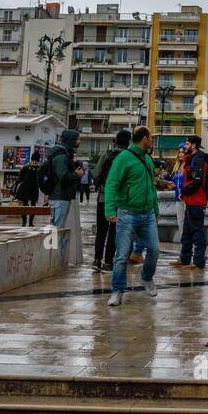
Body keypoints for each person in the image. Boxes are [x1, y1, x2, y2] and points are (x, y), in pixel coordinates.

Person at [105, 126, 161, 305]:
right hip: (127, 213)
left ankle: (146, 277)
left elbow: (151, 186)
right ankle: (117, 291)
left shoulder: (147, 159)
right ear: (144, 138)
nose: (152, 141)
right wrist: (110, 210)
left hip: (148, 214)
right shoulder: (123, 158)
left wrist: (156, 209)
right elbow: (112, 184)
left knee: (154, 249)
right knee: (121, 255)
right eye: (151, 138)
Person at [91, 130, 130, 272]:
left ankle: (96, 260)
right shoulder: (128, 157)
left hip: (103, 197)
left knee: (101, 230)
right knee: (114, 232)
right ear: (128, 142)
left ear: (115, 140)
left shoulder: (106, 155)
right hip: (119, 201)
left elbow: (95, 173)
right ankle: (108, 262)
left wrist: (101, 185)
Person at [175, 135, 208, 269]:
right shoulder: (192, 159)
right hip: (190, 201)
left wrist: (183, 190)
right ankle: (185, 259)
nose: (185, 147)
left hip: (197, 200)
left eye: (187, 144)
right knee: (187, 232)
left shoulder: (199, 160)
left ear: (194, 145)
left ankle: (198, 261)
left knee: (197, 232)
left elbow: (197, 181)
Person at [46, 130, 82, 258]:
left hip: (63, 196)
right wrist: (76, 174)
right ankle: (51, 257)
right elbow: (63, 177)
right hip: (59, 196)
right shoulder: (61, 156)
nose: (79, 141)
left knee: (58, 227)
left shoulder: (67, 154)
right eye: (78, 139)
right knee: (56, 227)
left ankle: (54, 257)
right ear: (71, 140)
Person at [13, 150, 41, 226]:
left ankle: (24, 222)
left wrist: (15, 186)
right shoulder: (39, 168)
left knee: (24, 206)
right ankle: (30, 222)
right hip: (34, 189)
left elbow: (20, 178)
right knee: (33, 206)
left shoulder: (25, 167)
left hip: (24, 188)